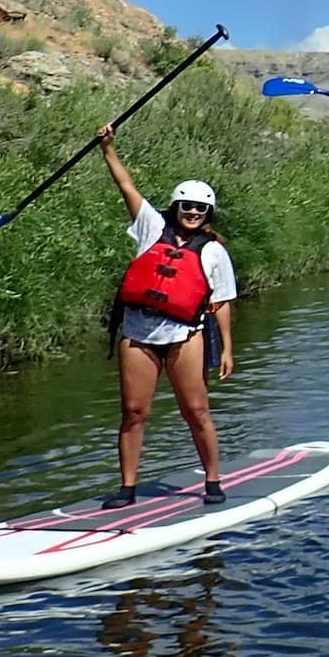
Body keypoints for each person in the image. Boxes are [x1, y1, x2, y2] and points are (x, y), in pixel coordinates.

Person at [97, 123, 237, 508]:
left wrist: (227, 349)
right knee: (133, 411)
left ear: (208, 213)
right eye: (186, 206)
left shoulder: (213, 251)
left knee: (196, 411)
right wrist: (108, 149)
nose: (192, 212)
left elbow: (222, 302)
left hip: (185, 335)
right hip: (138, 333)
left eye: (200, 208)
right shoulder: (150, 227)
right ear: (175, 208)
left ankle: (212, 480)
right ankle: (127, 489)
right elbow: (127, 188)